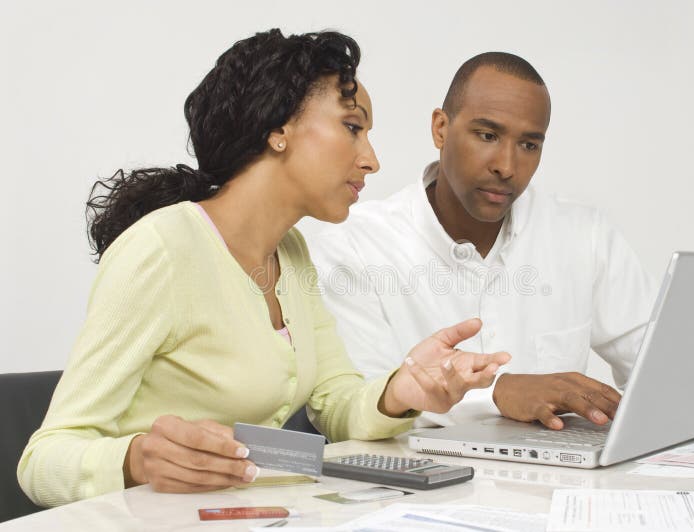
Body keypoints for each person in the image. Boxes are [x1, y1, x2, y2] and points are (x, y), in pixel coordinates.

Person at [17, 30, 511, 508]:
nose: (372, 160)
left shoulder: (290, 252)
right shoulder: (162, 249)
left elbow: (334, 402)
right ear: (278, 129)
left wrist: (403, 389)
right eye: (353, 127)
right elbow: (43, 460)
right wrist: (136, 459)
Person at [306, 52, 694, 430]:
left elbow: (654, 352)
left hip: (565, 498)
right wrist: (499, 394)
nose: (507, 164)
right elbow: (359, 406)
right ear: (441, 127)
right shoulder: (353, 245)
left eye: (529, 144)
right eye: (486, 135)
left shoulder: (581, 235)